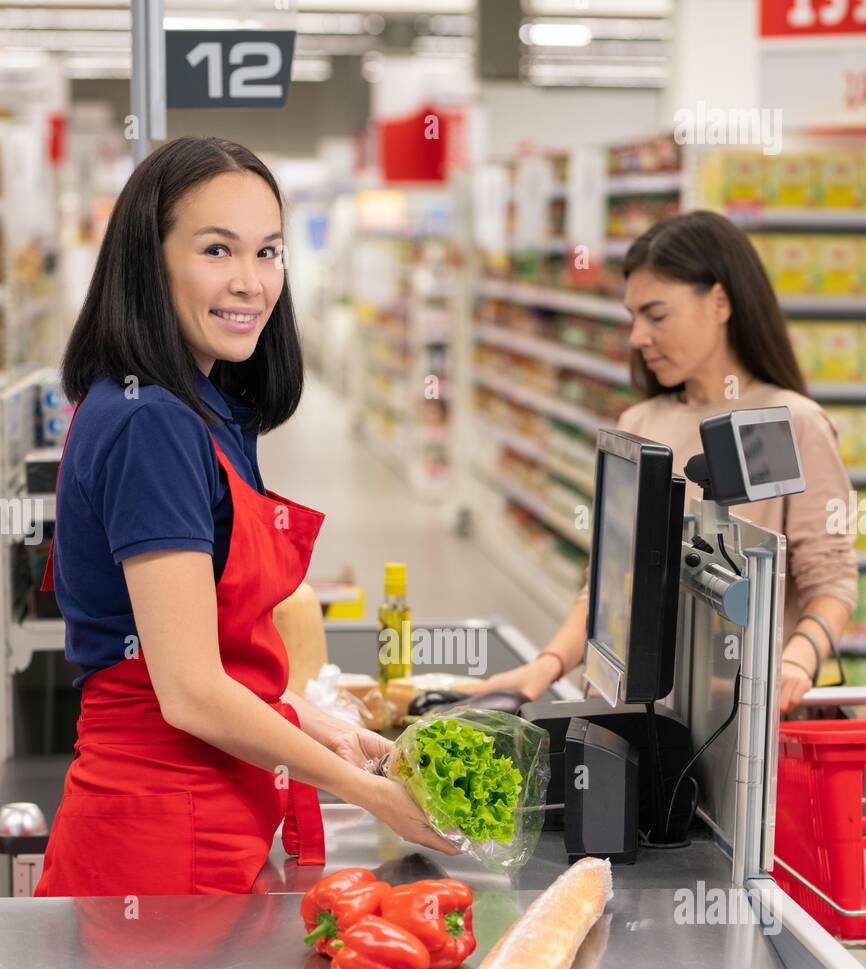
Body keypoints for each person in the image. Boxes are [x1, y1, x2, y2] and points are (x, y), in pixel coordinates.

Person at [36, 136, 457, 897]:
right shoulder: (149, 423)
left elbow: (207, 646)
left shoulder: (202, 407)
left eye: (268, 253)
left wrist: (304, 717)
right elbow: (191, 689)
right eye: (217, 250)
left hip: (207, 815)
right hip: (159, 837)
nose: (250, 282)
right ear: (148, 260)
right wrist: (369, 793)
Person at [479, 211, 857, 716]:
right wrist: (545, 666)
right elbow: (609, 582)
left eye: (656, 315)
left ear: (720, 302)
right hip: (642, 719)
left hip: (744, 726)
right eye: (633, 317)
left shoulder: (789, 424)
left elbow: (831, 583)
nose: (637, 336)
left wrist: (794, 663)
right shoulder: (639, 424)